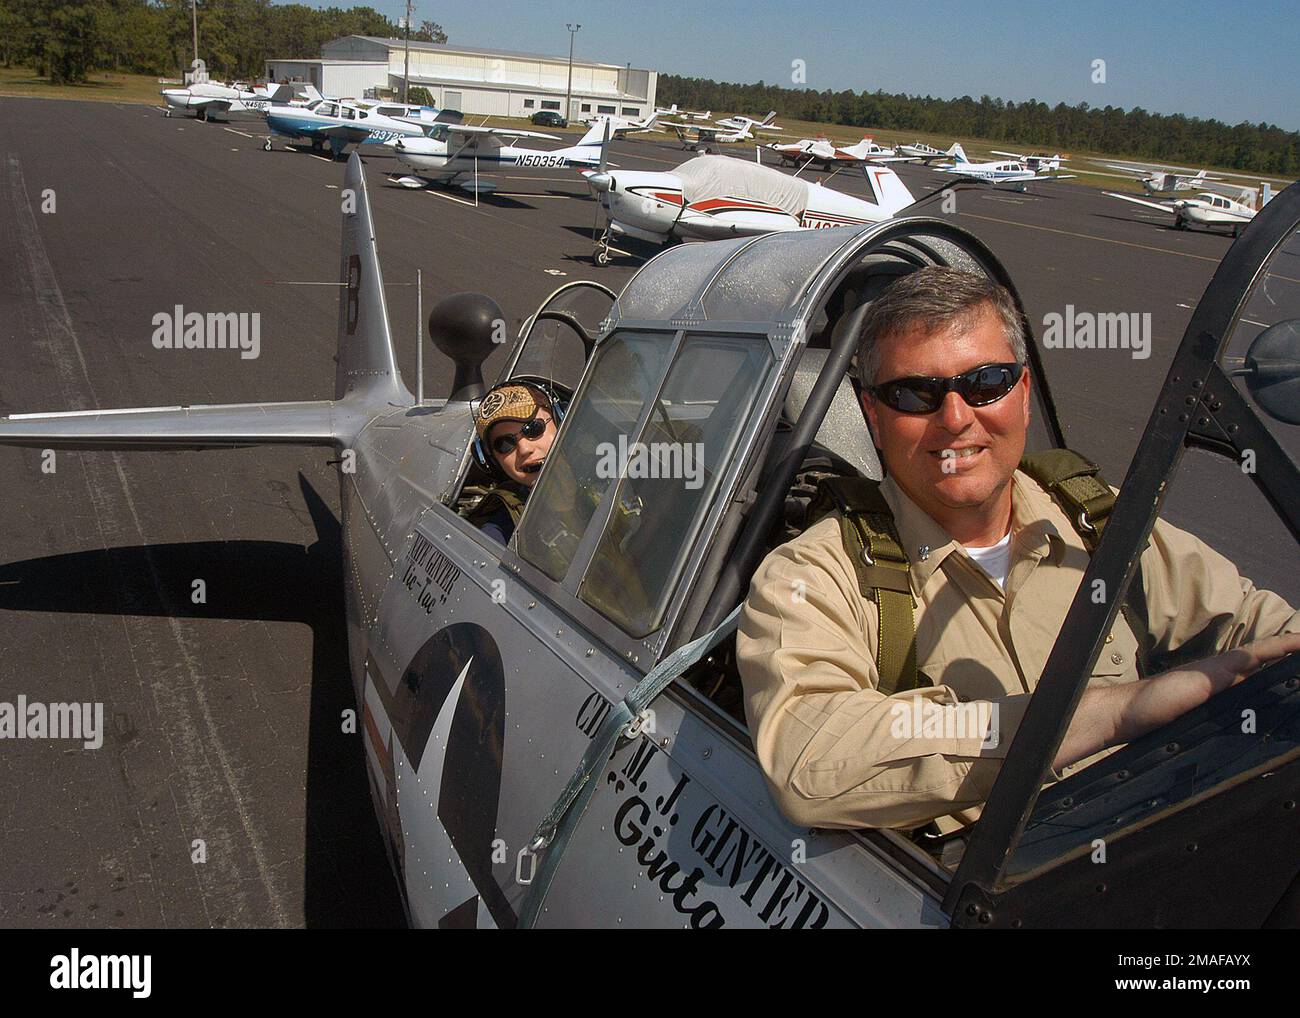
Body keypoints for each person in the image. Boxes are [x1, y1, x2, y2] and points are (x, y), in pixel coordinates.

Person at [736, 266, 1299, 834]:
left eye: (985, 383)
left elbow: (1258, 625)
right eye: (915, 394)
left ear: (1023, 394)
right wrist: (1111, 713)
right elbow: (807, 760)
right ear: (874, 418)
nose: (956, 419)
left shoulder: (1100, 520)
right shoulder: (813, 572)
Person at [465, 380, 561, 544]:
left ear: (560, 420)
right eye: (504, 444)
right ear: (492, 461)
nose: (524, 449)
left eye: (533, 428)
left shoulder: (609, 475)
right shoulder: (500, 534)